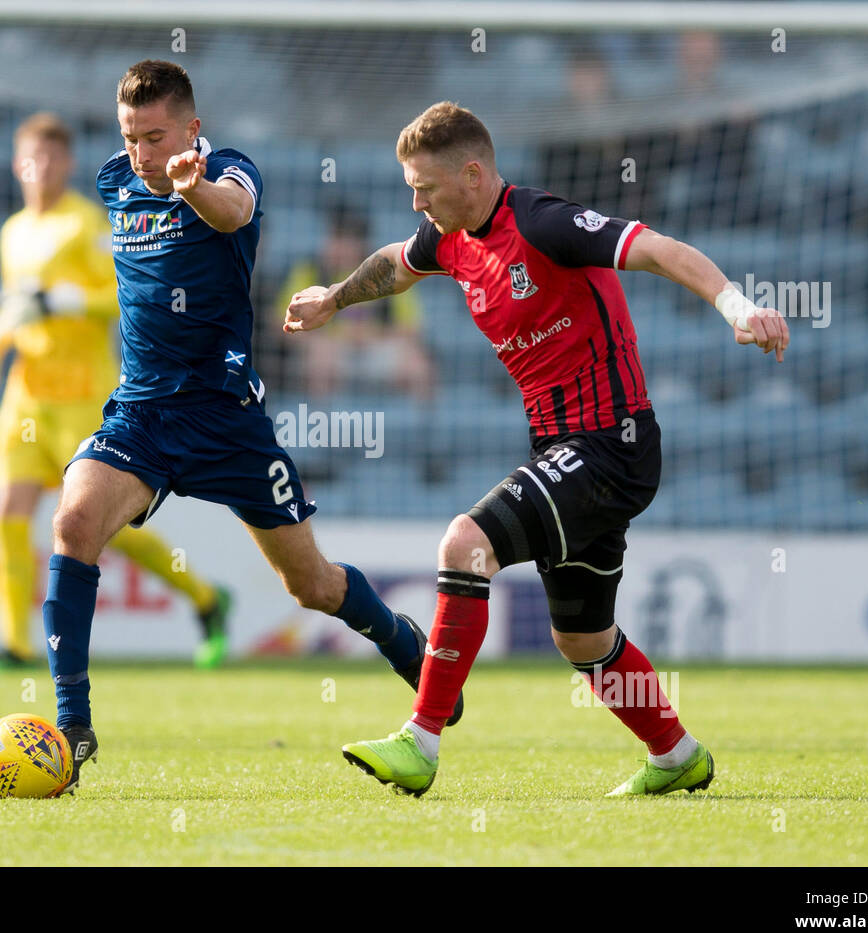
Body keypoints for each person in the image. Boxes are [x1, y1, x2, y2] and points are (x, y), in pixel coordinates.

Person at [285, 102, 789, 797]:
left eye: (425, 187)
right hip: (565, 449)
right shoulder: (451, 238)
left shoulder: (544, 222)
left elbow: (662, 251)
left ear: (472, 173)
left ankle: (421, 742)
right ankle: (677, 756)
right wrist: (333, 300)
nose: (415, 200)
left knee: (465, 544)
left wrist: (738, 307)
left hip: (612, 442)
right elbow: (392, 268)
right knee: (583, 640)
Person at [46, 61, 458, 792]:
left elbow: (230, 213)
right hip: (141, 415)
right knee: (75, 523)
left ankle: (402, 643)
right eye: (131, 137)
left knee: (313, 585)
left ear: (192, 130)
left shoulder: (229, 172)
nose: (142, 152)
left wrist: (189, 185)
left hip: (228, 418)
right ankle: (71, 729)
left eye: (156, 135)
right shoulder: (113, 181)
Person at [0, 111, 232, 675]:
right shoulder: (14, 230)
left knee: (103, 526)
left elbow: (122, 294)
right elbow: (22, 304)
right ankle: (14, 645)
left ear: (68, 164)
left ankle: (206, 597)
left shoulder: (87, 222)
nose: (41, 169)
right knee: (7, 511)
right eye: (33, 159)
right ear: (18, 164)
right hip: (26, 394)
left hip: (81, 395)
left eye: (52, 158)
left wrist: (68, 301)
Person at [276, 206, 433, 399]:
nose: (337, 247)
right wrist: (326, 339)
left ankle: (418, 425)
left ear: (361, 244)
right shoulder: (309, 272)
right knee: (321, 356)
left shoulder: (388, 273)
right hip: (332, 350)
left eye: (346, 241)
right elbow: (283, 324)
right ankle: (323, 423)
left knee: (417, 364)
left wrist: (372, 336)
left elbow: (411, 328)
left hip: (376, 348)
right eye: (335, 239)